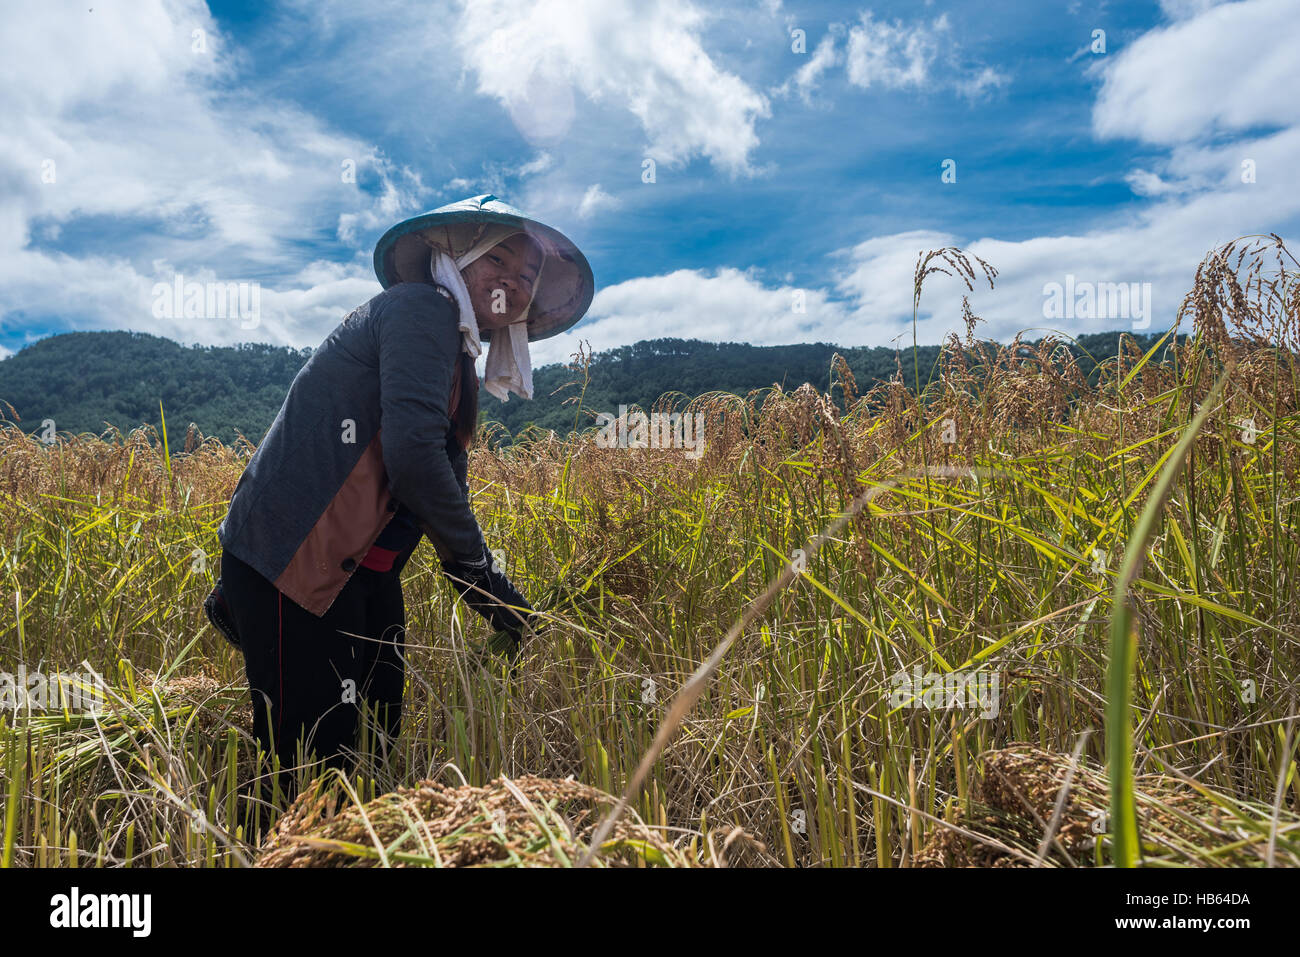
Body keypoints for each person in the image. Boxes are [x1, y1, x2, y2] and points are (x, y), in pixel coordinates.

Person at [202, 194, 595, 804]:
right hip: (290, 559)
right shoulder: (421, 311)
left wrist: (488, 586)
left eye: (527, 278)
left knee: (377, 732)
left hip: (360, 573)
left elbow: (445, 472)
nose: (514, 285)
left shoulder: (456, 352)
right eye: (500, 264)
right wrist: (473, 566)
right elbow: (414, 458)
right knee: (308, 763)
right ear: (456, 258)